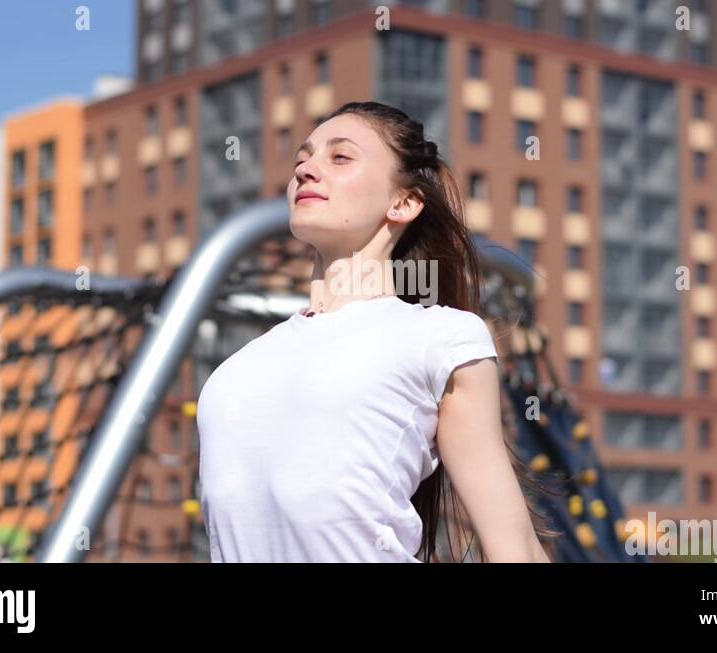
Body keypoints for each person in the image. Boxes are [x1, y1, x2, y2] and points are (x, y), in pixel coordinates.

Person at [197, 101, 556, 562]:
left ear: (403, 203)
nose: (307, 170)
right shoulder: (233, 373)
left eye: (340, 157)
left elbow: (515, 550)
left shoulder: (442, 338)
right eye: (301, 159)